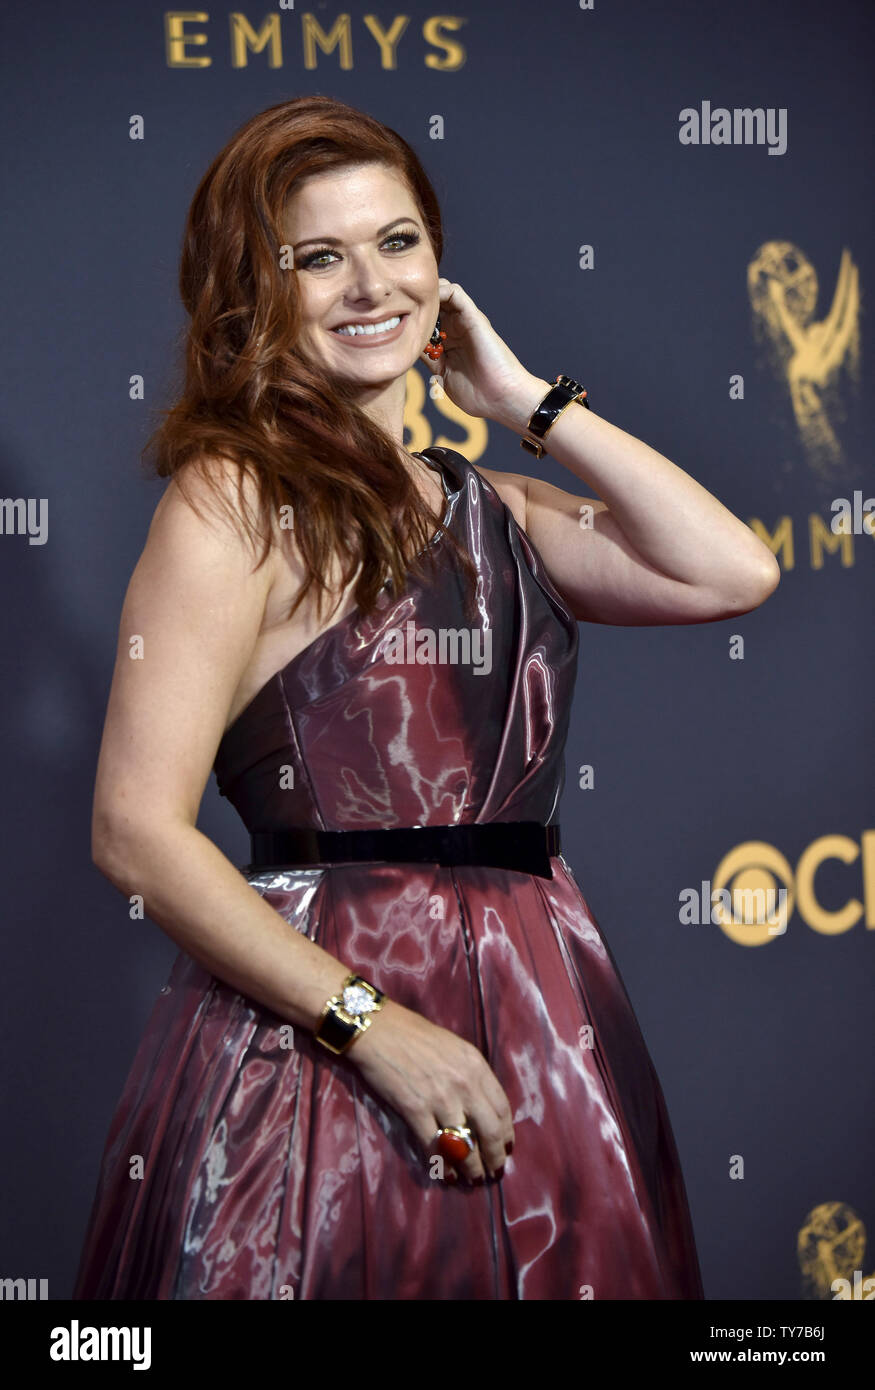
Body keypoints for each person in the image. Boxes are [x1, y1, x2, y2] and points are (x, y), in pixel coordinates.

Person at [72, 95, 779, 1301]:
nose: (368, 287)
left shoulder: (497, 507)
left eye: (396, 243)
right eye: (318, 257)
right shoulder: (233, 501)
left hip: (547, 1018)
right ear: (259, 290)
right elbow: (134, 831)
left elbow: (731, 570)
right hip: (326, 1040)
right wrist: (373, 1026)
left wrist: (526, 406)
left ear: (441, 269)